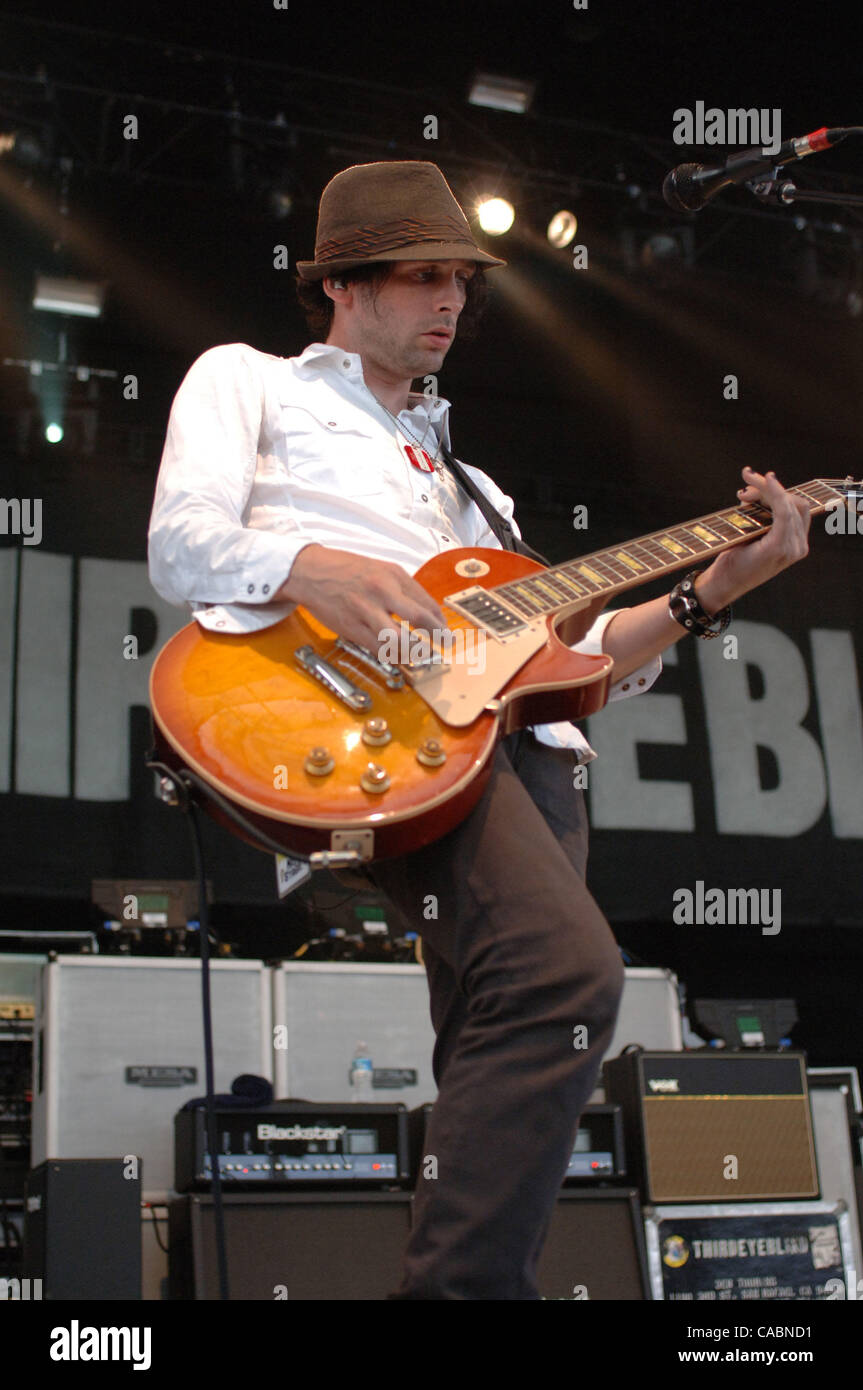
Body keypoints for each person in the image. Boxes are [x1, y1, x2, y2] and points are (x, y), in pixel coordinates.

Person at [148, 160, 811, 1300]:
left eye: (461, 279)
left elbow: (580, 661)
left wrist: (718, 586)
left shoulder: (478, 491)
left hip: (526, 764)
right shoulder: (249, 382)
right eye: (422, 276)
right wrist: (315, 567)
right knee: (568, 977)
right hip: (365, 720)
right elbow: (180, 541)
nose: (451, 300)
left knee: (501, 1053)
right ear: (342, 286)